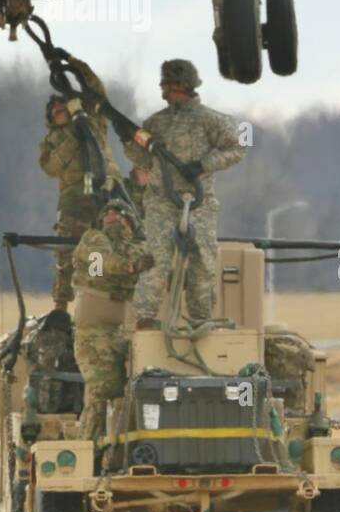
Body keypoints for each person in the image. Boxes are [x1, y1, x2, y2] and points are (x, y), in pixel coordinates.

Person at [125, 59, 245, 327]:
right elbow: (142, 159)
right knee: (155, 260)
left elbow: (238, 147)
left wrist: (202, 166)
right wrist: (127, 138)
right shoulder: (154, 124)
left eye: (169, 85)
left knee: (202, 262)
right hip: (161, 201)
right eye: (164, 85)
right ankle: (145, 319)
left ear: (184, 86)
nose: (165, 91)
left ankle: (200, 321)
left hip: (199, 202)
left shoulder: (211, 120)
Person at [38, 56, 121, 310]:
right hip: (74, 200)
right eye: (57, 112)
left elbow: (96, 92)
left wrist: (77, 66)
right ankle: (60, 307)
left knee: (103, 249)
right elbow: (50, 167)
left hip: (106, 193)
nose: (61, 113)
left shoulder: (93, 123)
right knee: (66, 254)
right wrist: (74, 132)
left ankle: (98, 300)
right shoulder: (53, 140)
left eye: (65, 108)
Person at [71, 200, 152, 442]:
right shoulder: (93, 241)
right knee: (102, 389)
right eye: (106, 213)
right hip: (95, 327)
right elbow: (100, 266)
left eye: (119, 214)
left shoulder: (137, 248)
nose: (112, 217)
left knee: (131, 390)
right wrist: (130, 267)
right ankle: (88, 449)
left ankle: (118, 445)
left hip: (126, 327)